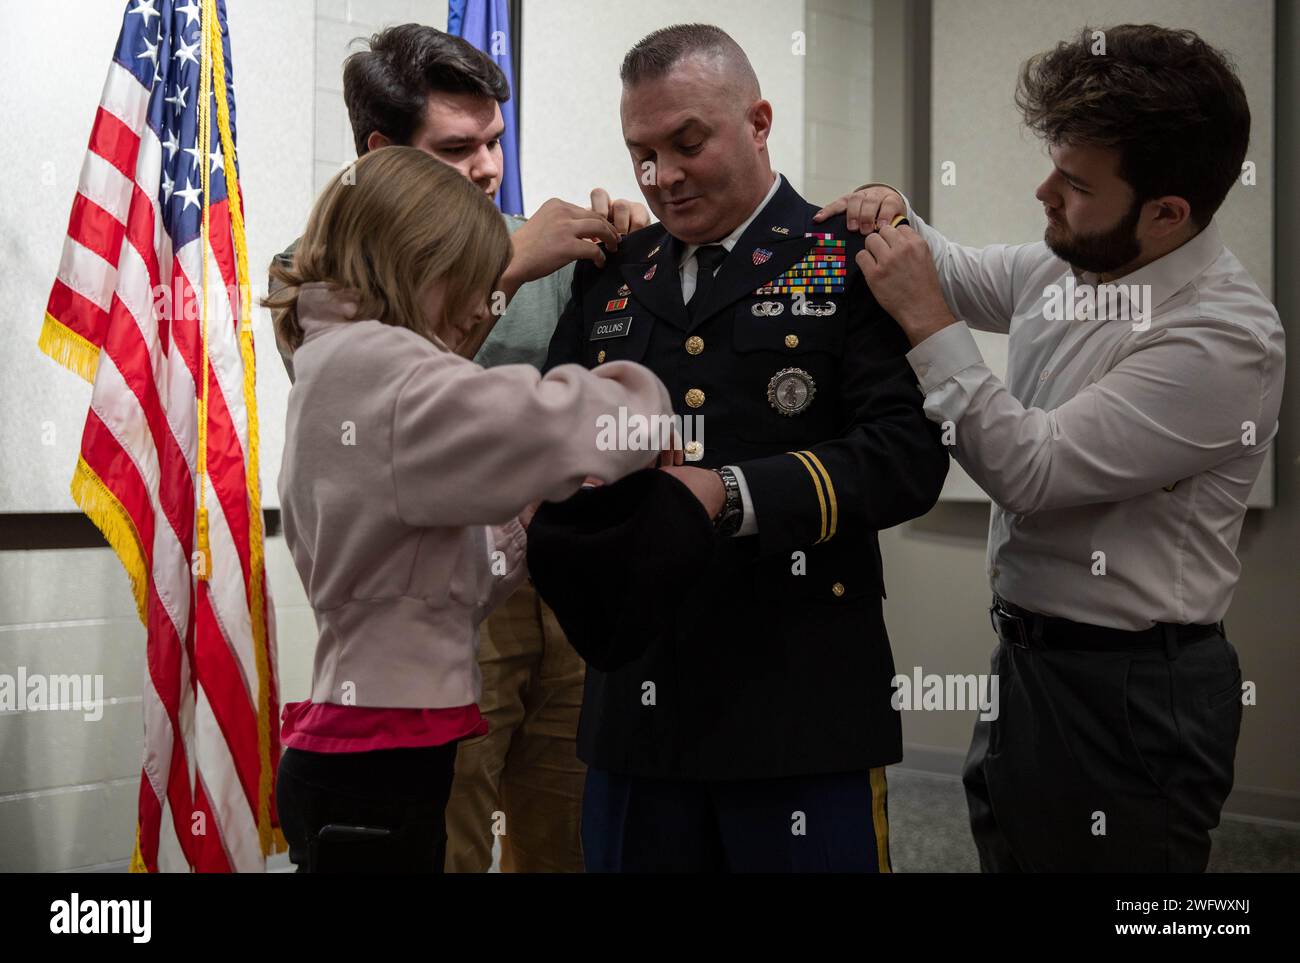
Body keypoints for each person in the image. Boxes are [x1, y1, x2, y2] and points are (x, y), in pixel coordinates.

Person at [823, 24, 1285, 871]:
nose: (1044, 193)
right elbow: (953, 267)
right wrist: (893, 209)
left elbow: (1030, 471)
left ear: (1169, 211)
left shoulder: (1225, 337)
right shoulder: (1072, 262)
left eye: (1074, 182)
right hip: (1031, 665)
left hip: (1136, 694)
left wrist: (927, 319)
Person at [544, 24, 949, 873]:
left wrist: (729, 492)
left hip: (798, 704)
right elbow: (545, 436)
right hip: (639, 707)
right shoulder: (614, 272)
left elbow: (906, 456)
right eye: (642, 154)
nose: (662, 177)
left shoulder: (843, 256)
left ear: (759, 121)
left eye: (688, 143)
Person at [270, 23, 652, 873]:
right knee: (448, 840)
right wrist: (506, 267)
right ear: (382, 153)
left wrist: (629, 255)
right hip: (447, 608)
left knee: (563, 838)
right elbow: (388, 388)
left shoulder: (552, 242)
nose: (487, 168)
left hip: (559, 580)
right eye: (457, 147)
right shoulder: (317, 272)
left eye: (494, 142)